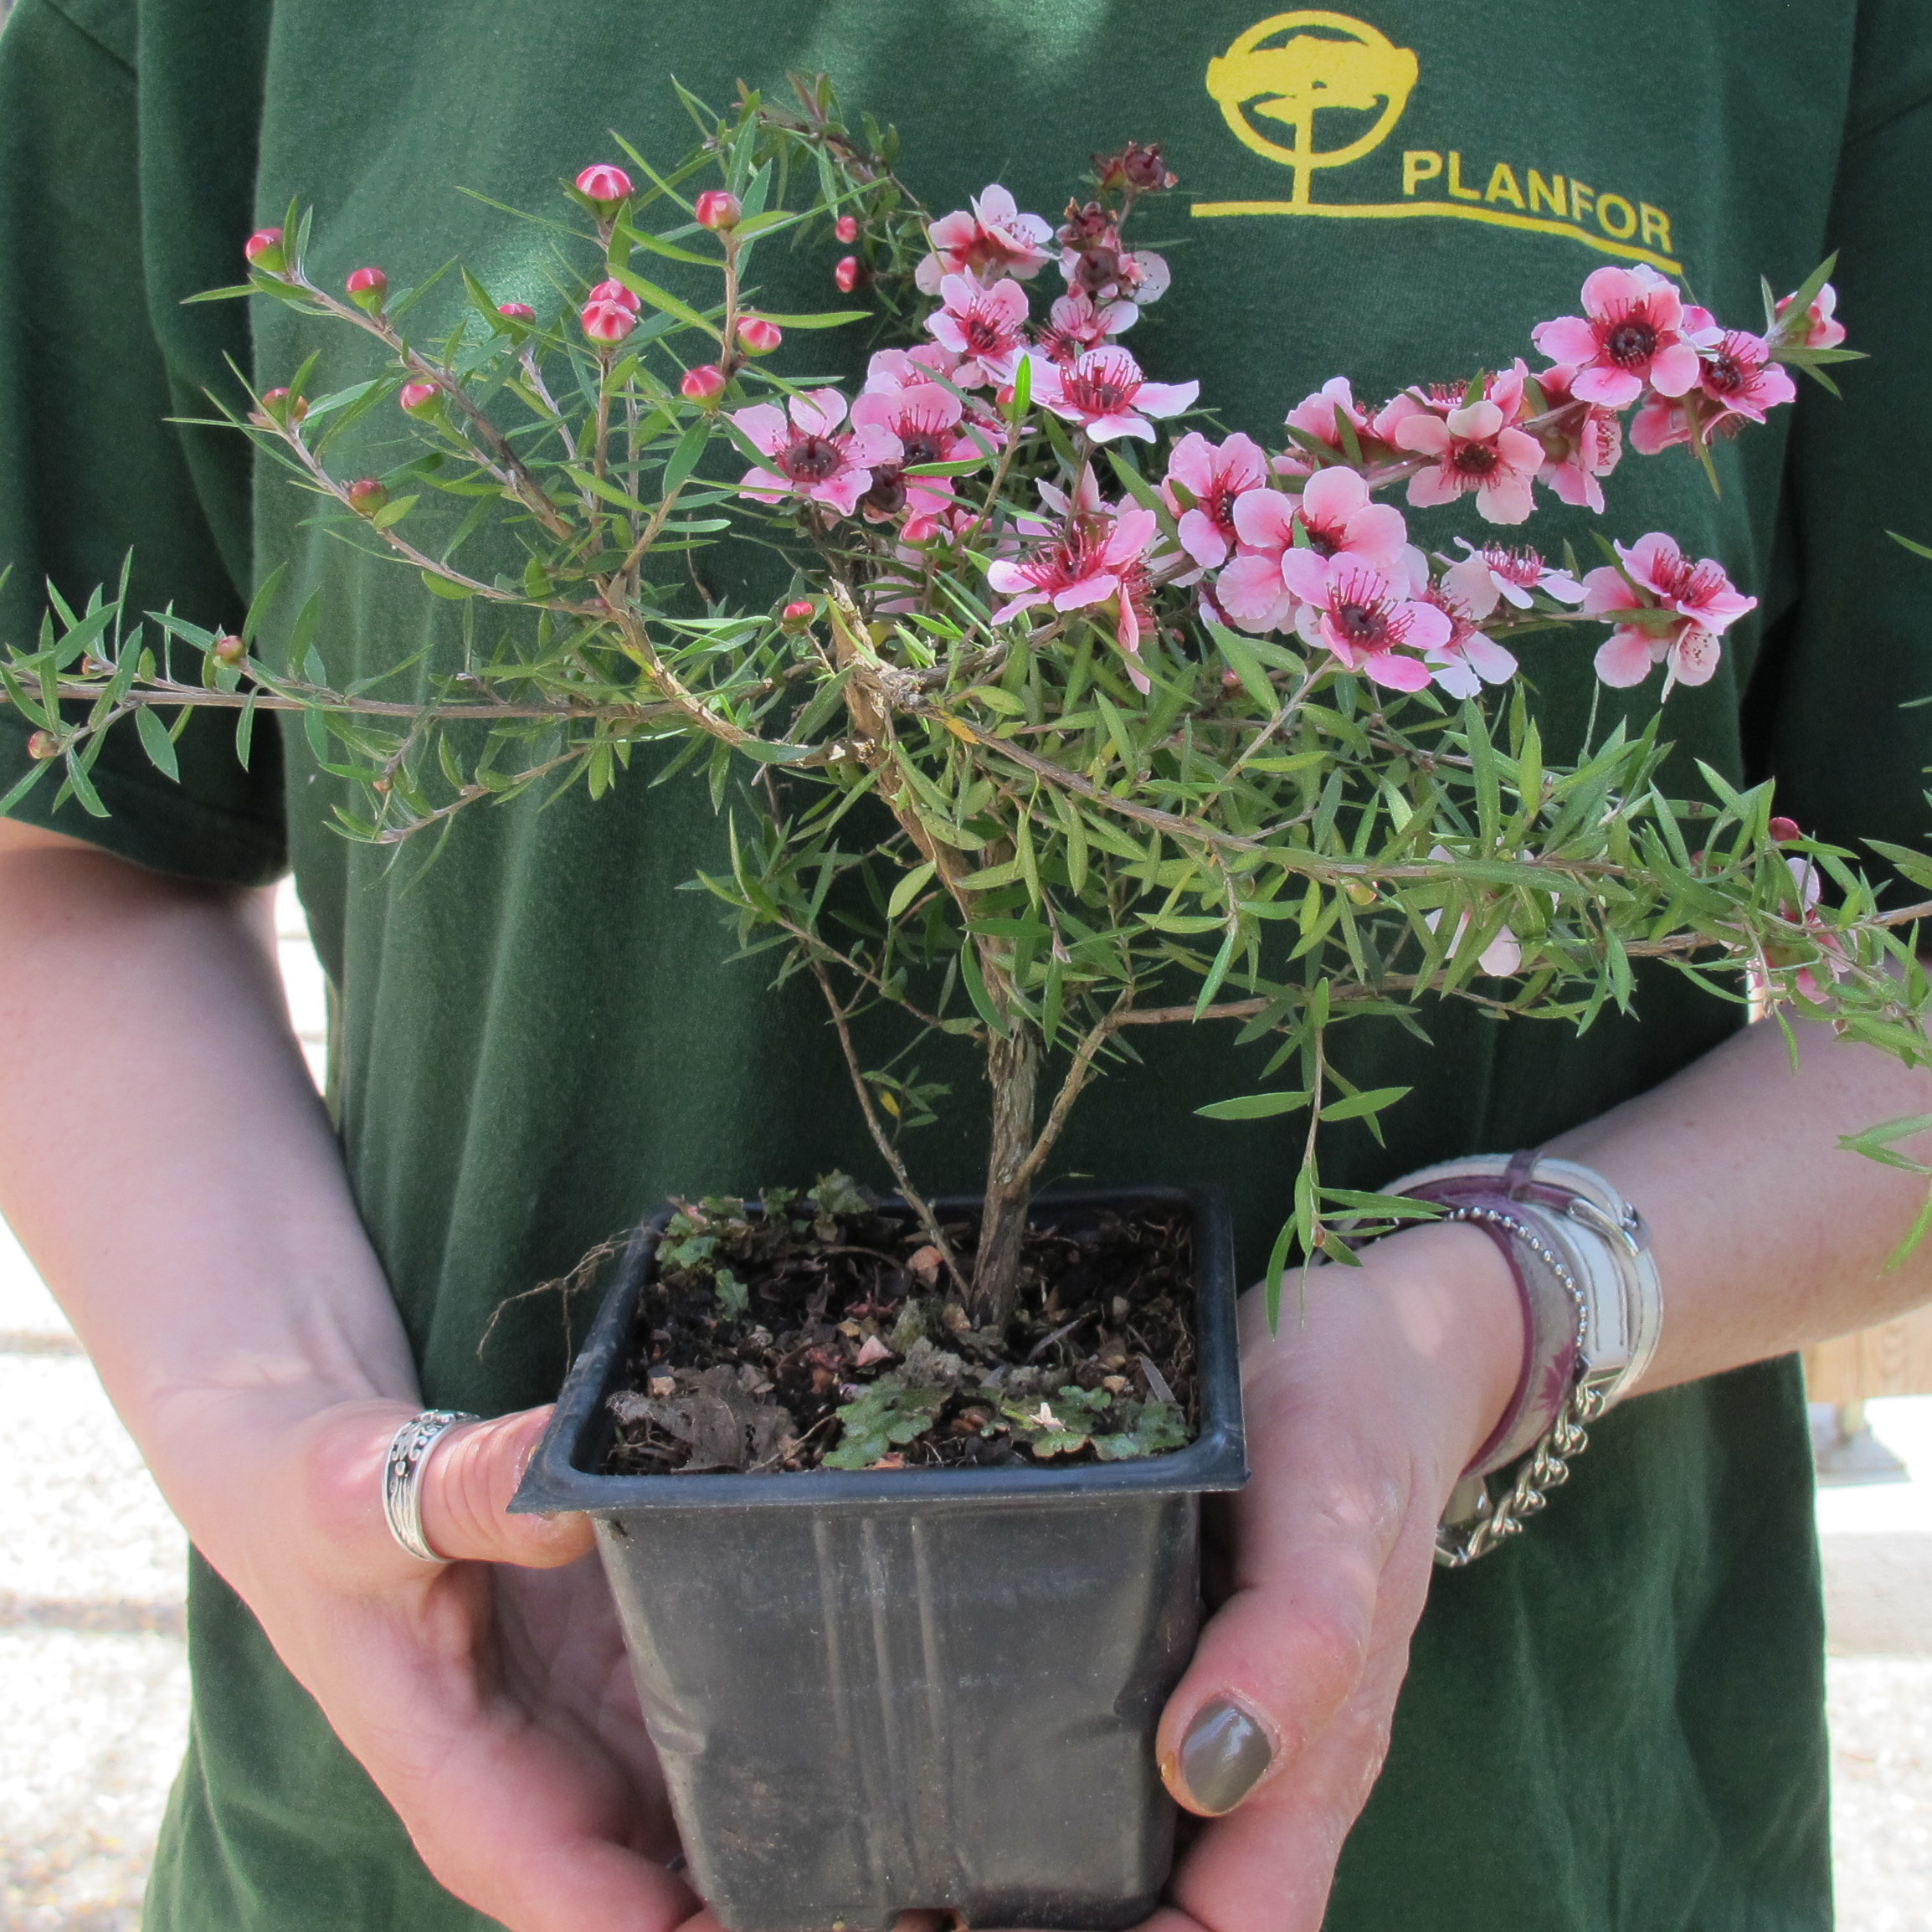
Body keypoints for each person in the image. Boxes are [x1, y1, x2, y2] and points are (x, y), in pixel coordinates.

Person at [2, 2, 1930, 1928]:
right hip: (490, 1826)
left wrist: (1503, 1295)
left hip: (1501, 1845)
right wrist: (288, 1441)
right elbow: (65, 853)